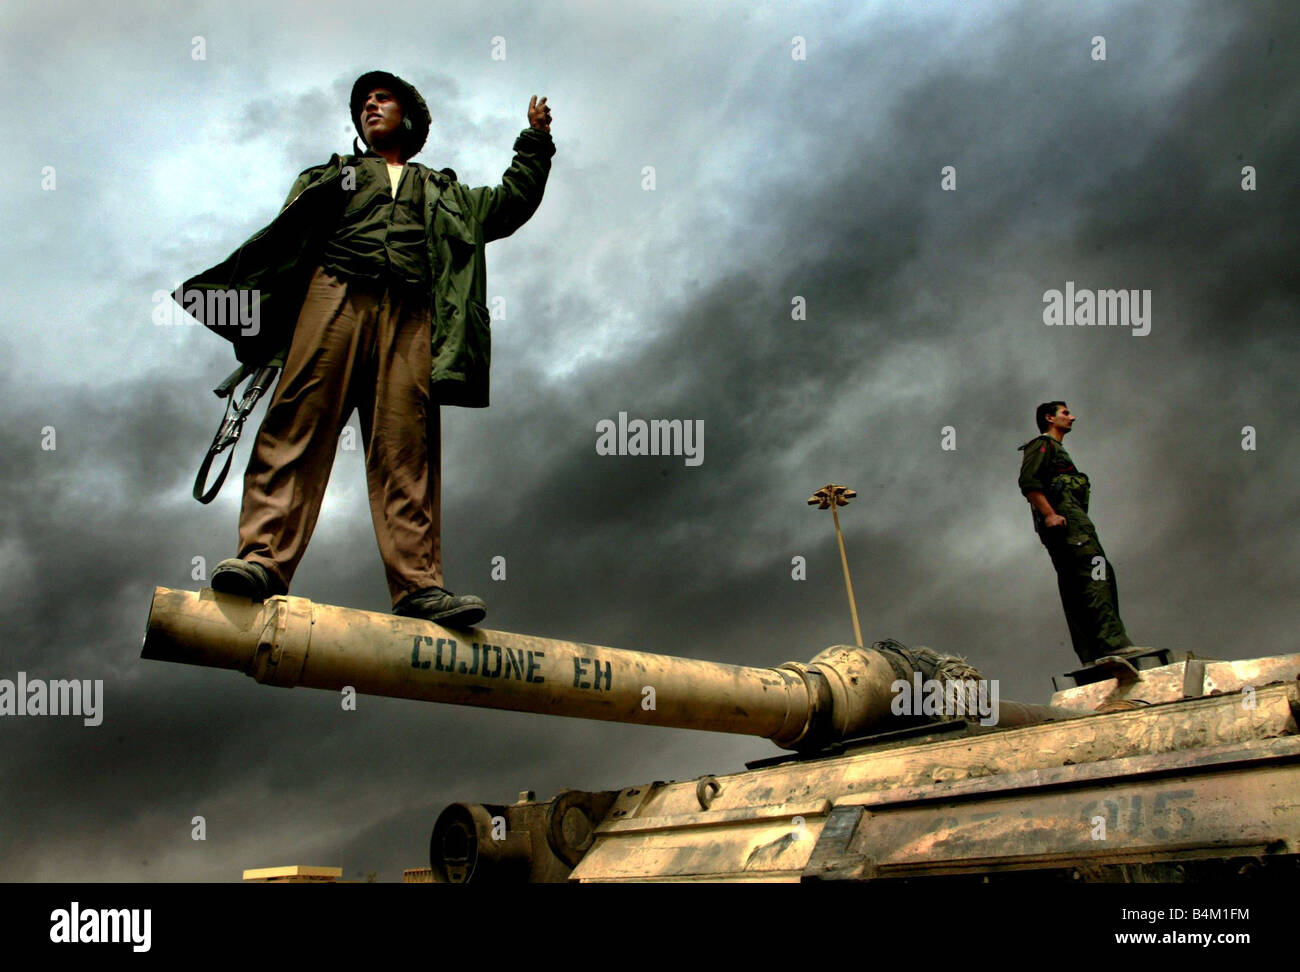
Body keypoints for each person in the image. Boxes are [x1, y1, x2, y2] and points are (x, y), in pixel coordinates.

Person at [179, 70, 554, 627]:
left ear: (412, 117)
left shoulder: (446, 192)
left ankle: (420, 588)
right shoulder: (332, 176)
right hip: (332, 297)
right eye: (364, 104)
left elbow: (509, 204)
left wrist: (535, 143)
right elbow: (287, 245)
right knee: (296, 424)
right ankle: (261, 561)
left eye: (383, 99)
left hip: (412, 313)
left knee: (407, 449)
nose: (370, 107)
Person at [1017, 401, 1137, 665]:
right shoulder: (1042, 445)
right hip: (1068, 524)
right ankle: (1112, 643)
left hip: (1070, 523)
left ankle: (1092, 653)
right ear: (1050, 418)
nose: (1073, 417)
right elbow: (1028, 482)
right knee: (1095, 572)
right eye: (1065, 413)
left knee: (1076, 582)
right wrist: (1050, 514)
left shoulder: (1053, 448)